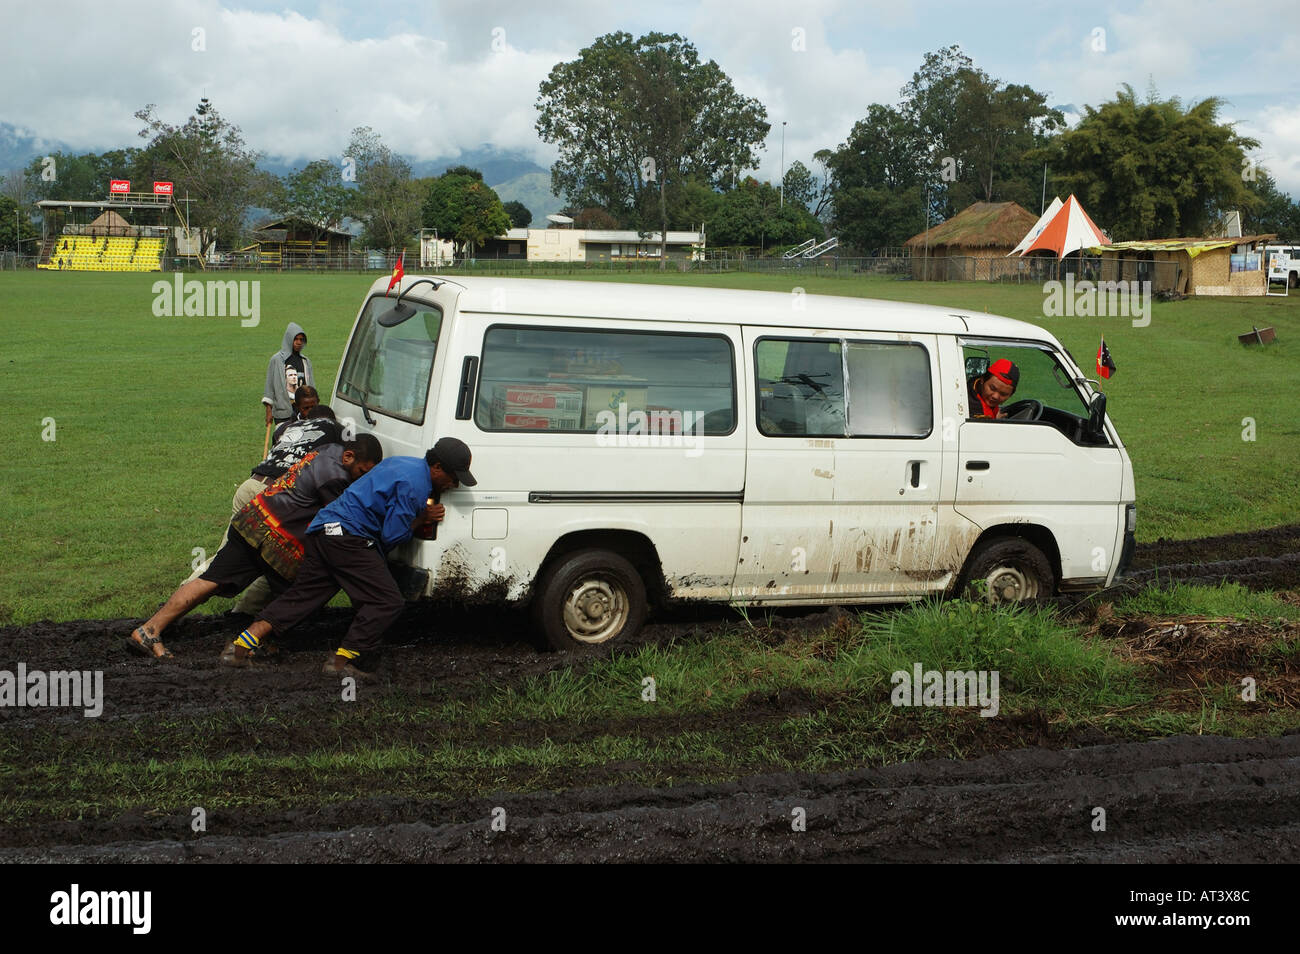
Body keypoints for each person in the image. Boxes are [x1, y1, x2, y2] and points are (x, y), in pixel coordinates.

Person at [222, 437, 476, 676]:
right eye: (453, 477)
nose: (453, 485)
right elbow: (390, 536)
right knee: (386, 601)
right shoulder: (417, 486)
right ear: (437, 467)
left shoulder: (402, 462)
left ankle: (240, 648)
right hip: (348, 537)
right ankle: (342, 661)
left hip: (323, 529)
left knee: (305, 595)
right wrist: (420, 519)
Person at [126, 436, 384, 661]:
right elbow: (344, 516)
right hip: (274, 541)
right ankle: (250, 644)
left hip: (252, 521)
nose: (361, 478)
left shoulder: (328, 449)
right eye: (362, 472)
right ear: (348, 456)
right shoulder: (336, 478)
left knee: (210, 581)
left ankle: (149, 630)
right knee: (303, 594)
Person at [263, 322, 314, 427]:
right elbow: (269, 386)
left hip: (303, 412)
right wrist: (268, 410)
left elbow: (311, 386)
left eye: (301, 340)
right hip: (283, 412)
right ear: (289, 339)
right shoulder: (277, 360)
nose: (299, 342)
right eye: (296, 339)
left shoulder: (306, 361)